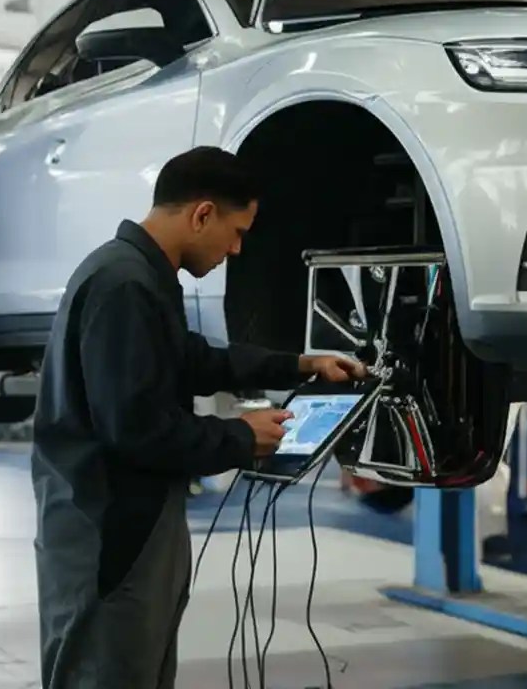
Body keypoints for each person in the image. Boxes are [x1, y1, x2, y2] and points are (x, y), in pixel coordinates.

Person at [30, 146, 365, 689]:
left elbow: (192, 359)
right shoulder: (124, 284)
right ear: (202, 213)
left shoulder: (142, 275)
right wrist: (239, 437)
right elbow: (134, 429)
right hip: (108, 533)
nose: (235, 249)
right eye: (236, 232)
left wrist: (299, 363)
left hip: (133, 521)